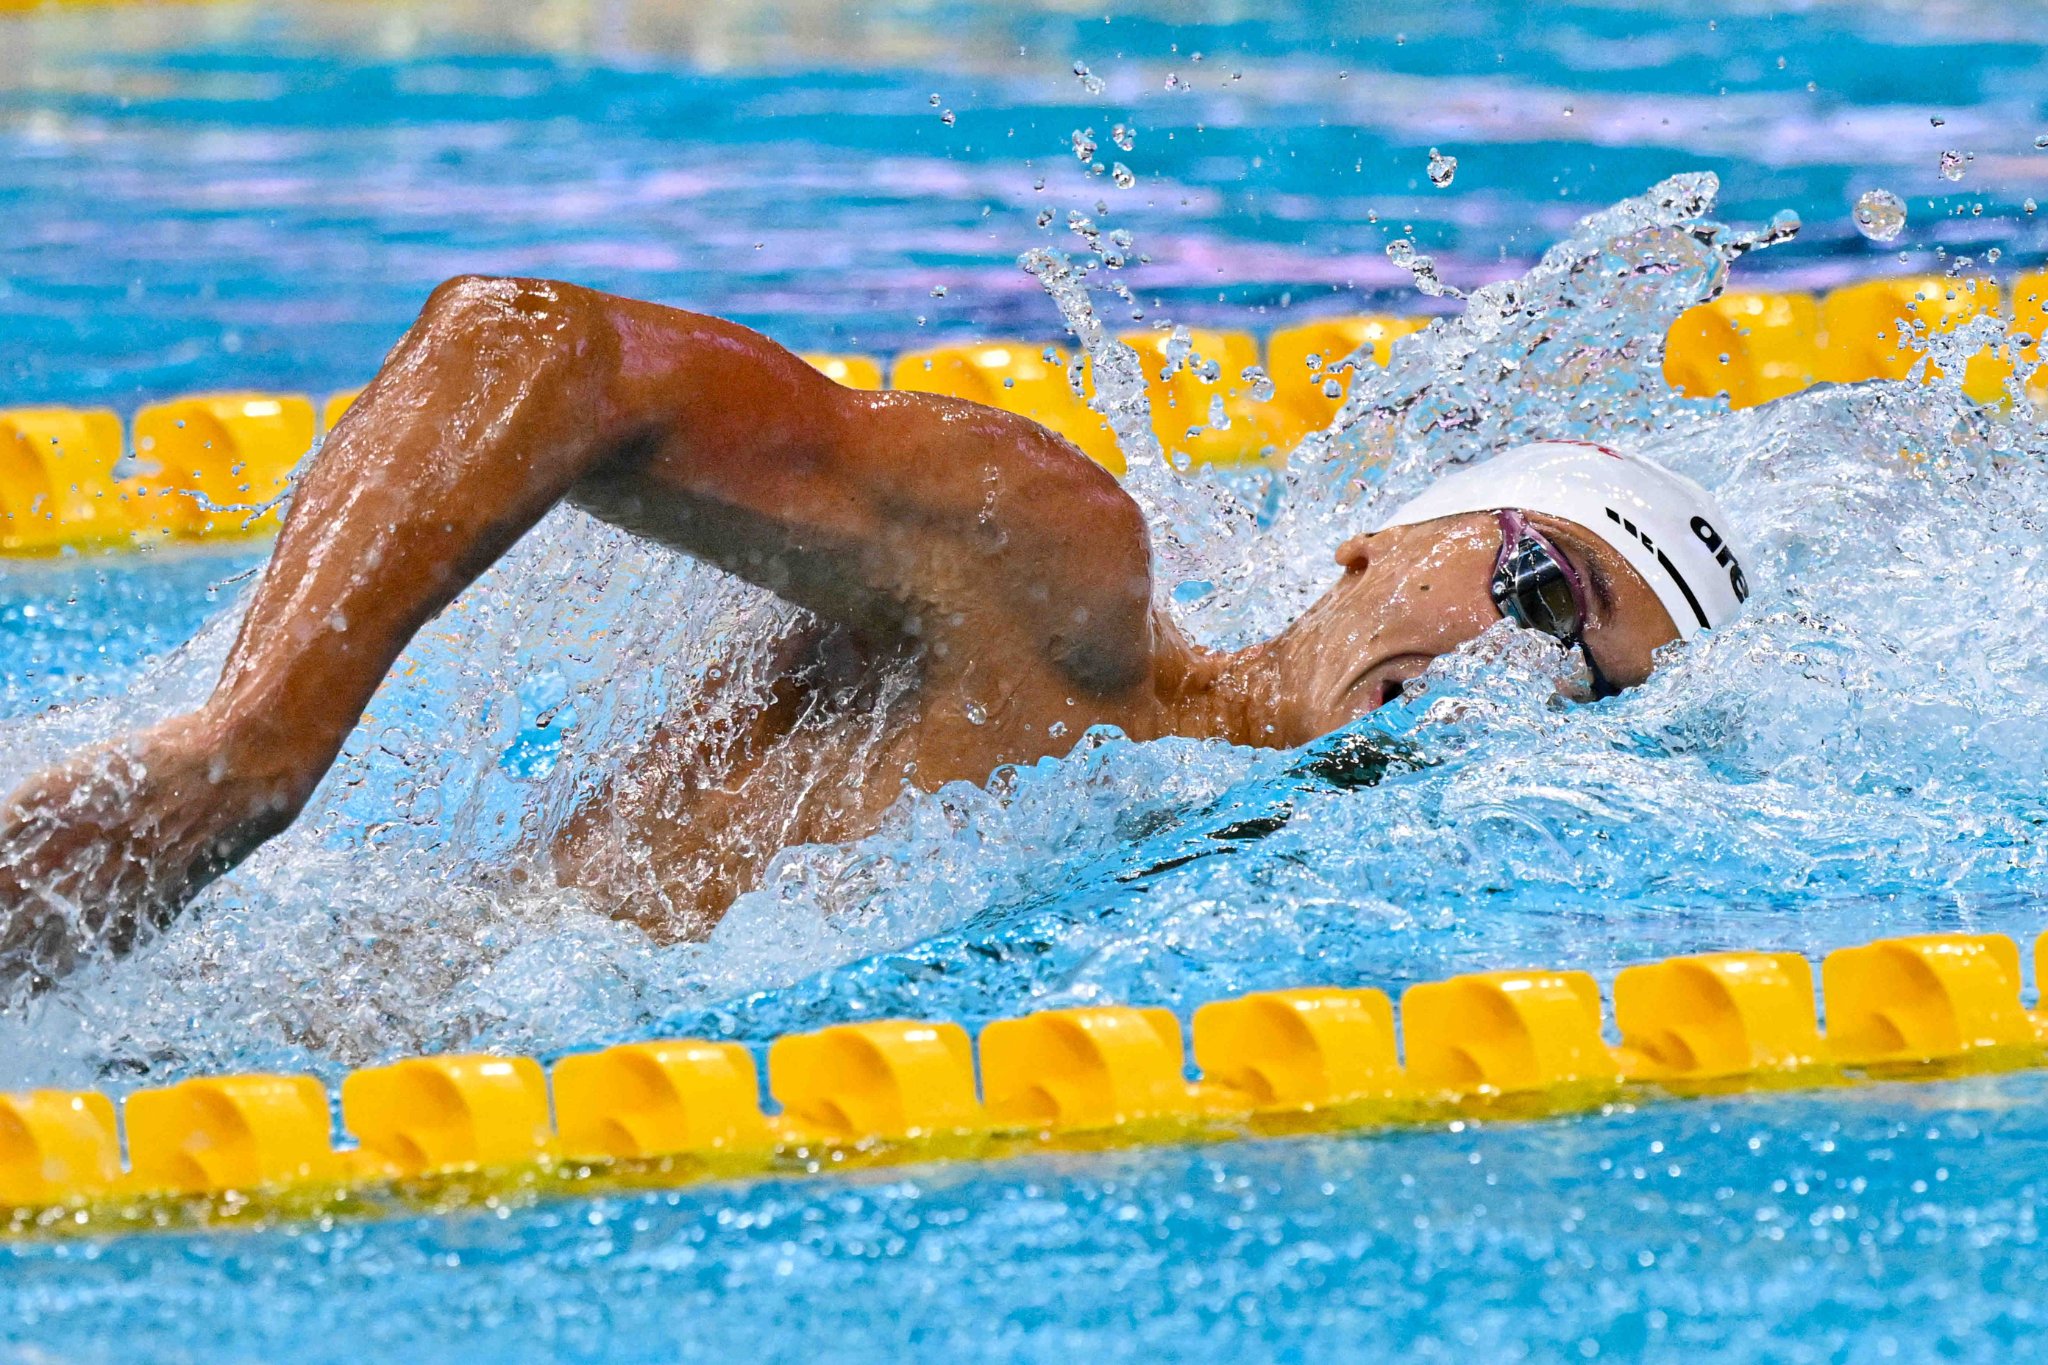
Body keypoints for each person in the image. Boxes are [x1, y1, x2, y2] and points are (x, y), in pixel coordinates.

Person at [0, 276, 1751, 992]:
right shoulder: (1061, 582)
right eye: (1538, 588)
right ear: (1380, 543)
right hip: (262, 1031)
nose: (1513, 671)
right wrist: (255, 744)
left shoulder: (1231, 907)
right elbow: (528, 342)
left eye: (1577, 687)